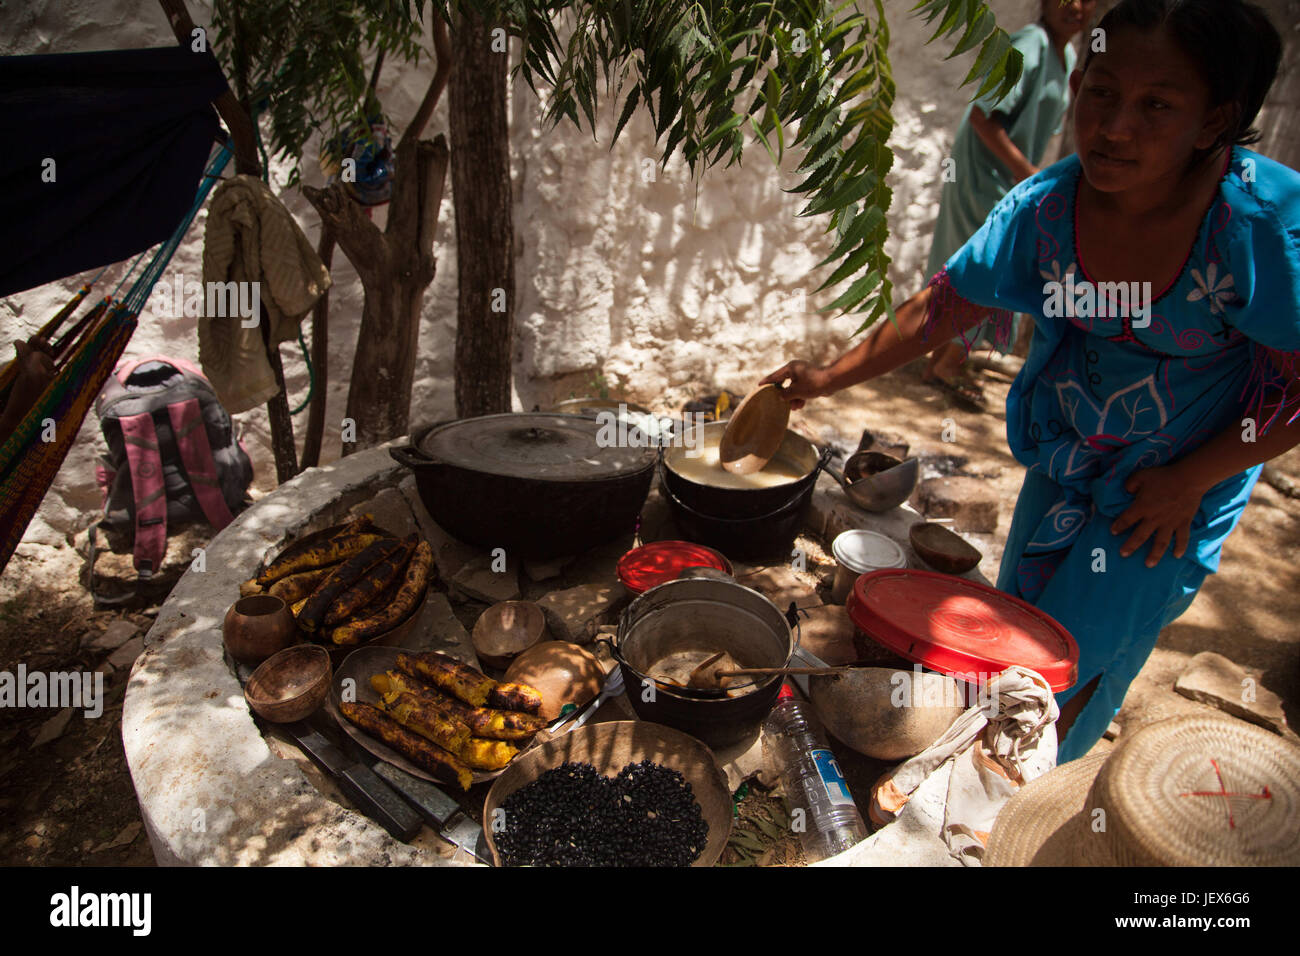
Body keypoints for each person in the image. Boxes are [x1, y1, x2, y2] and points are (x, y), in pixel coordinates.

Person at [762, 0, 1298, 763]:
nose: (1112, 126)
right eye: (1101, 90)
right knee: (1010, 636)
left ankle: (1026, 805)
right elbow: (945, 306)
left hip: (1168, 497)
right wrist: (821, 379)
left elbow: (1296, 386)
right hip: (1067, 461)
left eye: (1156, 106)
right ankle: (983, 794)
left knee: (1067, 666)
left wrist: (1192, 479)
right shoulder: (1048, 208)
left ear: (1214, 122)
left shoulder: (1259, 226)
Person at [922, 0, 1096, 411]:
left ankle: (942, 360)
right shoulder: (1028, 45)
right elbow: (983, 116)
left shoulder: (1065, 55)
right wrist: (1030, 174)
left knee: (989, 268)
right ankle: (946, 364)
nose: (1074, 6)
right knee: (992, 270)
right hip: (984, 175)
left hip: (1008, 178)